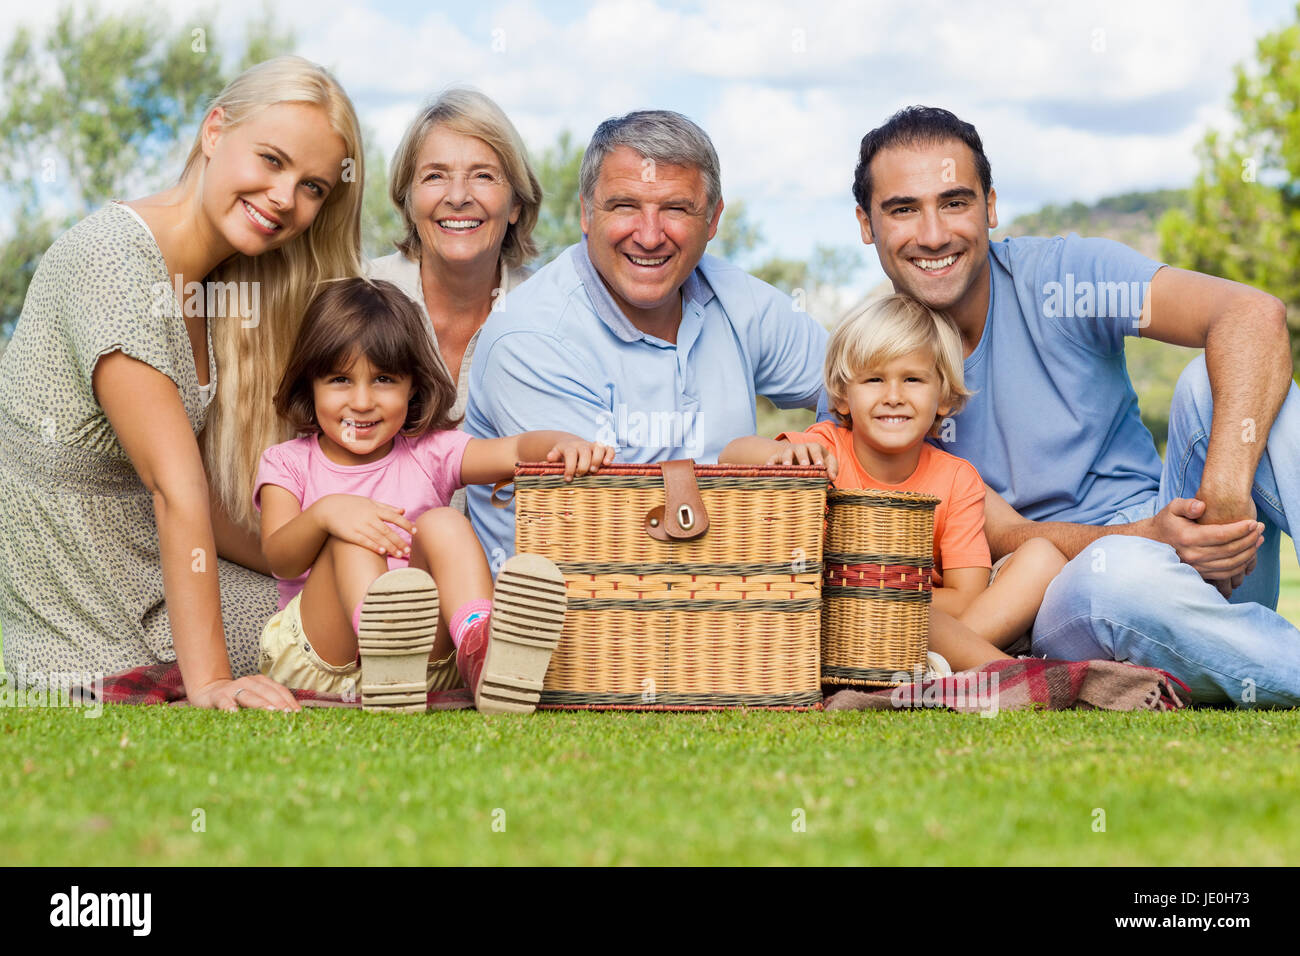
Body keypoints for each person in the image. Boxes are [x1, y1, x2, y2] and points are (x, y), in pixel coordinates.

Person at [850, 105, 1300, 705]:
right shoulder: (880, 372)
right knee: (1115, 578)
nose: (933, 234)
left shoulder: (1065, 276)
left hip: (1211, 550)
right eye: (904, 209)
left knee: (1224, 388)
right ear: (865, 223)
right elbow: (1012, 540)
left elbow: (1251, 314)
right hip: (1077, 591)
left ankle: (1226, 635)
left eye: (955, 202)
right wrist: (1147, 538)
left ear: (990, 205)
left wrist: (1221, 493)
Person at [0, 55, 367, 712]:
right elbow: (176, 488)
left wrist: (309, 557)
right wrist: (211, 683)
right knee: (334, 641)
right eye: (272, 160)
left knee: (353, 602)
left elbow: (210, 512)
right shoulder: (112, 260)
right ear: (214, 131)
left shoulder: (215, 286)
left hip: (150, 564)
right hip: (84, 604)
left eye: (313, 187)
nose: (286, 197)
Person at [465, 109, 829, 564]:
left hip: (728, 603)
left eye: (676, 208)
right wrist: (752, 468)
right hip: (578, 611)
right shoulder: (531, 334)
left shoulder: (739, 298)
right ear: (586, 212)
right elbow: (610, 522)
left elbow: (860, 383)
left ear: (713, 220)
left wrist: (816, 452)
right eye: (625, 206)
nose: (650, 235)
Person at [255, 278, 614, 713]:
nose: (363, 400)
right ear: (310, 383)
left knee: (445, 522)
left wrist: (562, 441)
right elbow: (280, 559)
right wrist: (326, 513)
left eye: (384, 379)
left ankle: (481, 649)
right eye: (340, 380)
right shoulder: (287, 462)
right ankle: (383, 642)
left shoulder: (430, 451)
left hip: (426, 664)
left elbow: (515, 451)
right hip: (324, 658)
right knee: (351, 535)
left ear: (413, 386)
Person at [722, 293, 1066, 671]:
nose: (893, 397)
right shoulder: (824, 448)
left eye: (913, 379)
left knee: (1042, 556)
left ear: (944, 399)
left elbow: (968, 595)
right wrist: (779, 458)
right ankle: (998, 670)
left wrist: (888, 597)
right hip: (836, 619)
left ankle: (936, 666)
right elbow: (731, 455)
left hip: (930, 620)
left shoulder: (957, 478)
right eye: (874, 379)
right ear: (842, 397)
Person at [367, 89, 542, 513]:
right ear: (408, 202)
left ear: (516, 203)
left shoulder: (549, 314)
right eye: (434, 176)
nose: (459, 196)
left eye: (483, 175)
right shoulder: (359, 295)